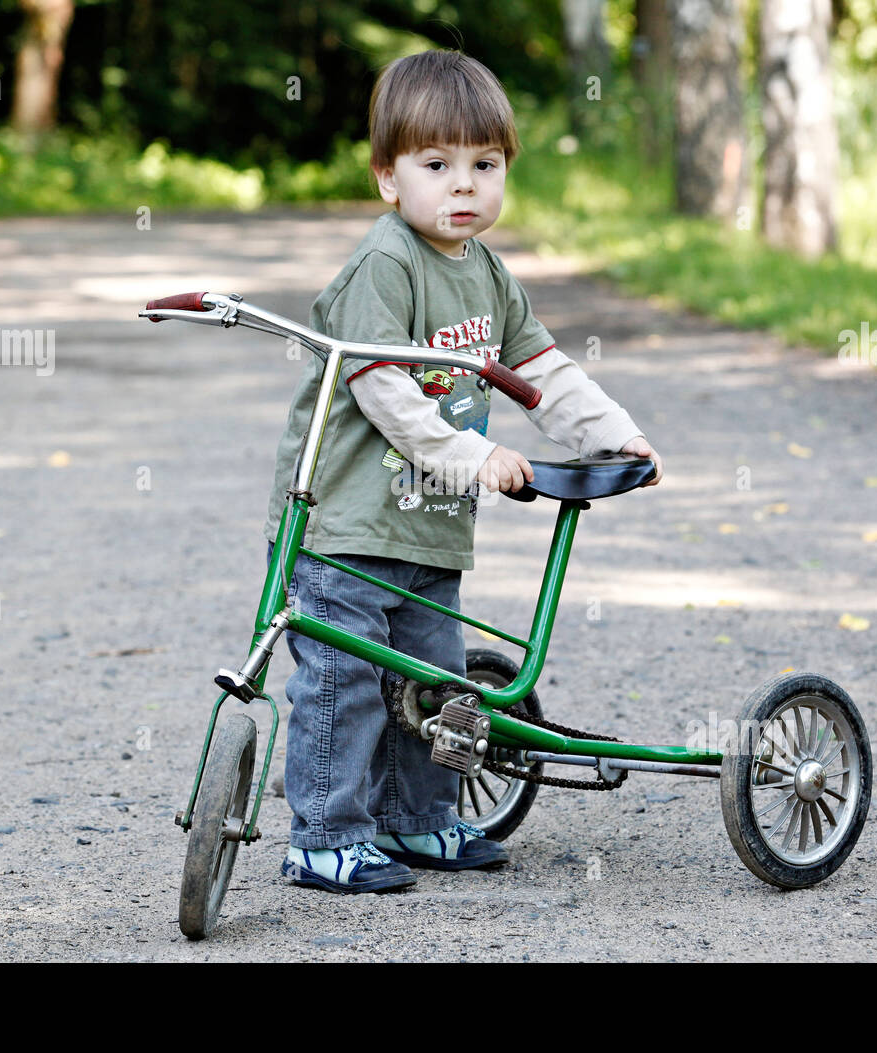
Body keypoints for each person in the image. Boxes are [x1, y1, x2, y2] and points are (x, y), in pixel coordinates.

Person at [262, 49, 662, 893]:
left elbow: (542, 370)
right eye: (437, 165)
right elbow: (385, 390)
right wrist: (476, 456)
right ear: (388, 177)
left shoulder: (486, 272)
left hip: (429, 525)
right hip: (345, 524)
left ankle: (419, 818)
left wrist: (616, 436)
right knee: (343, 681)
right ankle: (325, 836)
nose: (464, 186)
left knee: (432, 682)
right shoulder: (386, 264)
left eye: (485, 165)